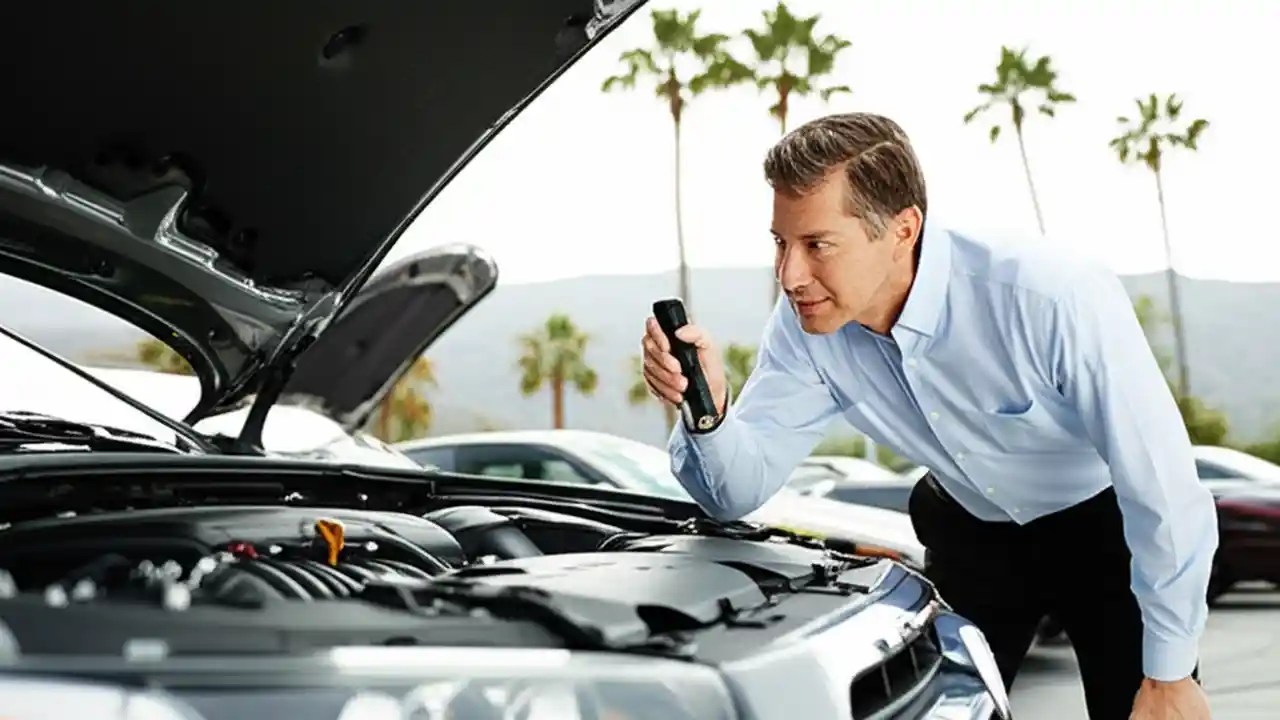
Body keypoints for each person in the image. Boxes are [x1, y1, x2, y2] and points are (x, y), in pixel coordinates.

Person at [639, 111, 1216, 719]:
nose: (790, 275)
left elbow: (1164, 489)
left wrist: (1171, 675)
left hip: (1106, 534)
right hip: (969, 533)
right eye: (781, 242)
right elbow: (735, 491)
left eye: (818, 245)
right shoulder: (806, 329)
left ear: (902, 229)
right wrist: (708, 413)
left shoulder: (1050, 296)